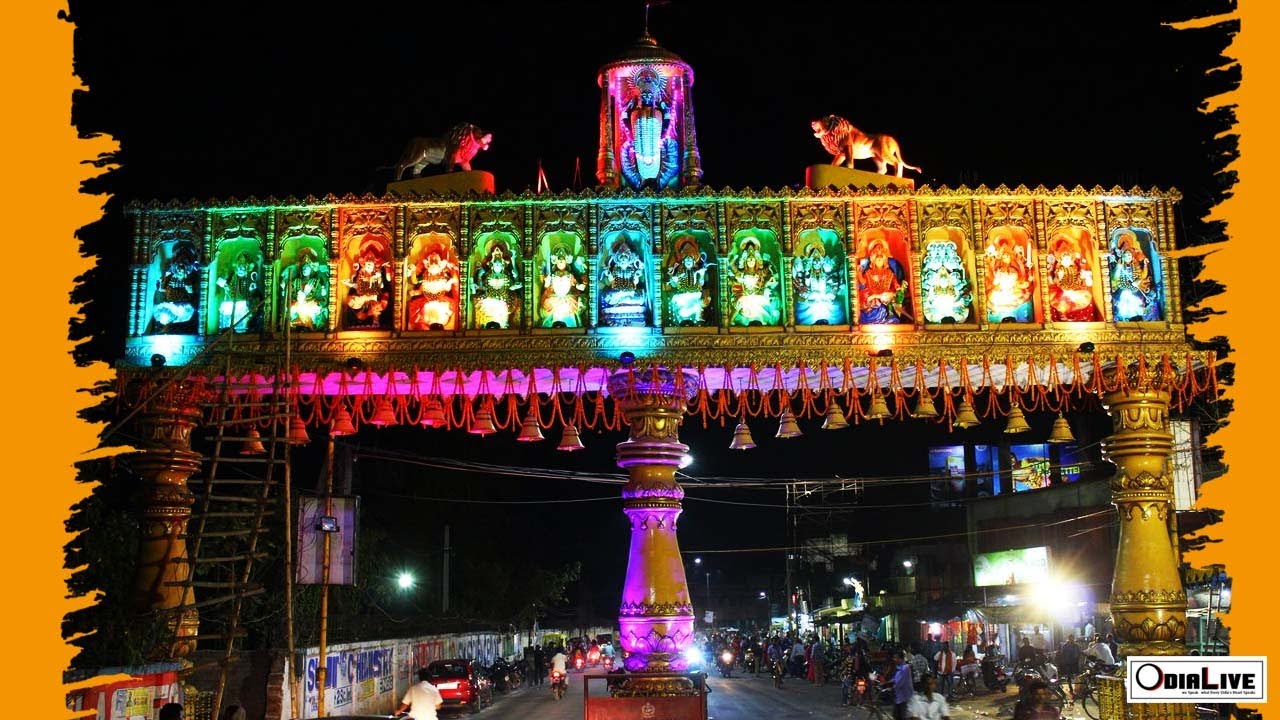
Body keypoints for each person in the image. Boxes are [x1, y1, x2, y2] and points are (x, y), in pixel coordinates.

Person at [884, 650, 915, 720]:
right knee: (896, 716)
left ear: (901, 659)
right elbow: (895, 678)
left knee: (903, 717)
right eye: (894, 657)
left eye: (896, 658)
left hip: (904, 697)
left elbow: (900, 682)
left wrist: (891, 688)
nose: (894, 659)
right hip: (899, 697)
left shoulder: (905, 668)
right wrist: (885, 683)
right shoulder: (899, 667)